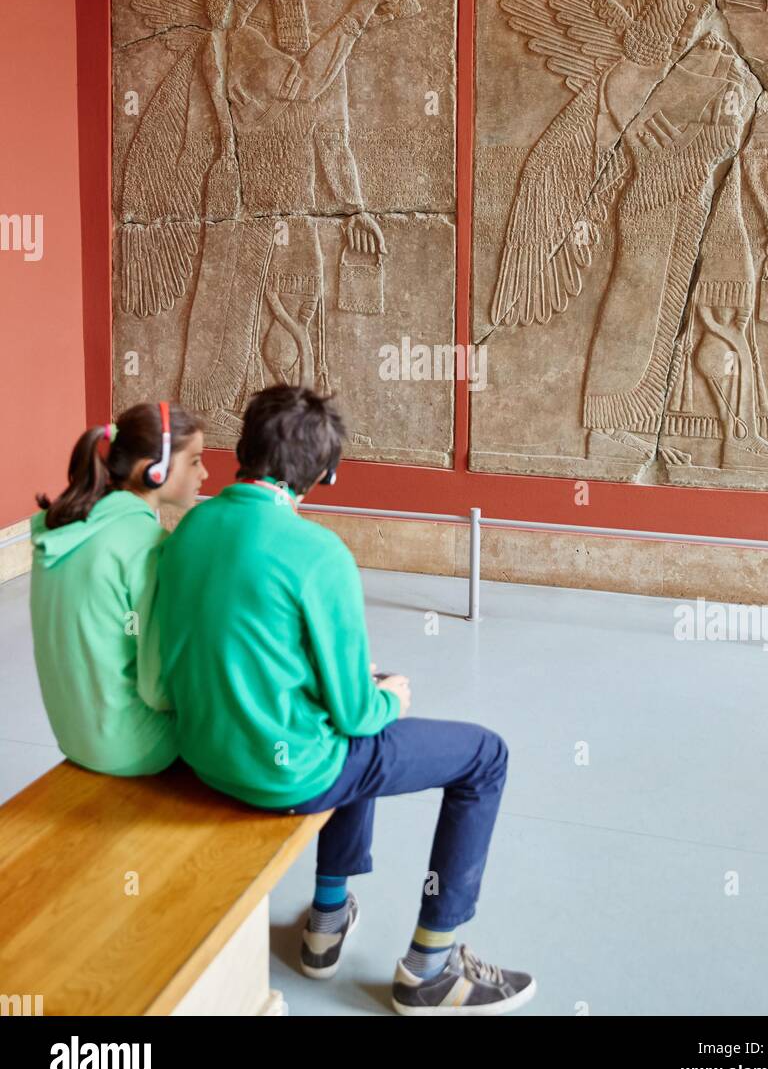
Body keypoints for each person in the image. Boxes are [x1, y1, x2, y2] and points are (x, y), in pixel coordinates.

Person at [157, 384, 537, 1016]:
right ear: (327, 474)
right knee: (481, 756)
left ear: (242, 448)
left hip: (204, 753)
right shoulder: (319, 553)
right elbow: (357, 715)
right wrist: (387, 697)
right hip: (285, 773)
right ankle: (430, 970)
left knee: (356, 724)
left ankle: (328, 918)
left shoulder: (192, 525)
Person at [30, 402, 207, 777]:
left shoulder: (65, 527)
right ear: (154, 471)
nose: (204, 473)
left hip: (74, 735)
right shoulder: (147, 545)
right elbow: (158, 691)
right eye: (194, 461)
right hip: (135, 748)